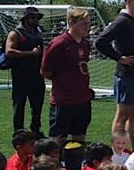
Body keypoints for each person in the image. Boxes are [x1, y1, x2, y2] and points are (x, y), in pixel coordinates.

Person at [95, 0, 134, 135]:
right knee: (123, 115)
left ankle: (133, 147)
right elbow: (100, 42)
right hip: (127, 75)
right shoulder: (121, 21)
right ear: (128, 2)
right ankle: (117, 147)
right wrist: (119, 58)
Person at [40, 8, 94, 148]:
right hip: (63, 100)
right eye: (83, 23)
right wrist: (63, 83)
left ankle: (75, 161)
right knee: (58, 138)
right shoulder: (59, 44)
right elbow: (45, 70)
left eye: (88, 23)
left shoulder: (85, 43)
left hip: (83, 99)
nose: (87, 27)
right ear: (71, 22)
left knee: (80, 137)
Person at [3, 6, 46, 136]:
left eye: (37, 17)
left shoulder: (38, 33)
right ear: (26, 19)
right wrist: (30, 53)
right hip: (21, 74)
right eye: (33, 17)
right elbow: (9, 52)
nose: (36, 20)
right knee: (19, 104)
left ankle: (35, 130)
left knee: (37, 104)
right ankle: (19, 132)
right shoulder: (15, 33)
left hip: (37, 74)